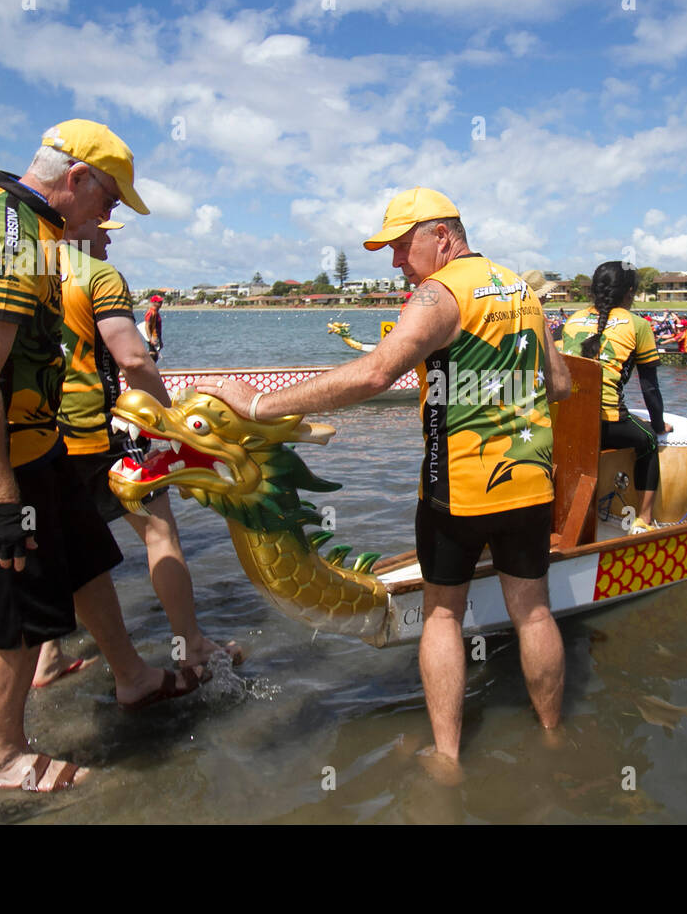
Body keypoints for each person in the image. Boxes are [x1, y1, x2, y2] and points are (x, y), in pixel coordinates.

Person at [197, 187, 572, 777]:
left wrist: (262, 404)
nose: (397, 261)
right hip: (531, 482)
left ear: (441, 237)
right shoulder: (524, 292)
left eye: (402, 246)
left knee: (443, 615)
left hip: (460, 490)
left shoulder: (440, 291)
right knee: (533, 612)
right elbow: (558, 384)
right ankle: (552, 736)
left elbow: (375, 372)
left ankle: (447, 756)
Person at [0, 120, 202, 792]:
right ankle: (2, 754)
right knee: (20, 605)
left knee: (85, 558)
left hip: (38, 442)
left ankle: (132, 677)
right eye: (108, 201)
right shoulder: (13, 237)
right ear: (74, 178)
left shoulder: (25, 226)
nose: (107, 216)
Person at [33, 215, 240, 685]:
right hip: (101, 434)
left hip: (44, 435)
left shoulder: (30, 272)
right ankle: (191, 646)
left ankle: (48, 653)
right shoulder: (98, 275)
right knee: (159, 532)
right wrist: (169, 423)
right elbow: (132, 359)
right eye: (104, 228)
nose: (108, 238)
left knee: (60, 545)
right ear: (77, 230)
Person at [560, 262, 671, 531]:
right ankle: (644, 519)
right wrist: (657, 426)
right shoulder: (638, 325)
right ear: (629, 293)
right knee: (647, 442)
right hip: (607, 423)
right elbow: (650, 388)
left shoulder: (573, 320)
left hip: (567, 420)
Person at [143, 294, 163, 361]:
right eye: (159, 302)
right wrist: (150, 338)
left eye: (161, 302)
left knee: (155, 355)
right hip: (153, 336)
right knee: (153, 354)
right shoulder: (151, 312)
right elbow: (147, 326)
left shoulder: (156, 312)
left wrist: (160, 339)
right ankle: (147, 370)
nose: (161, 304)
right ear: (154, 302)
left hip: (157, 336)